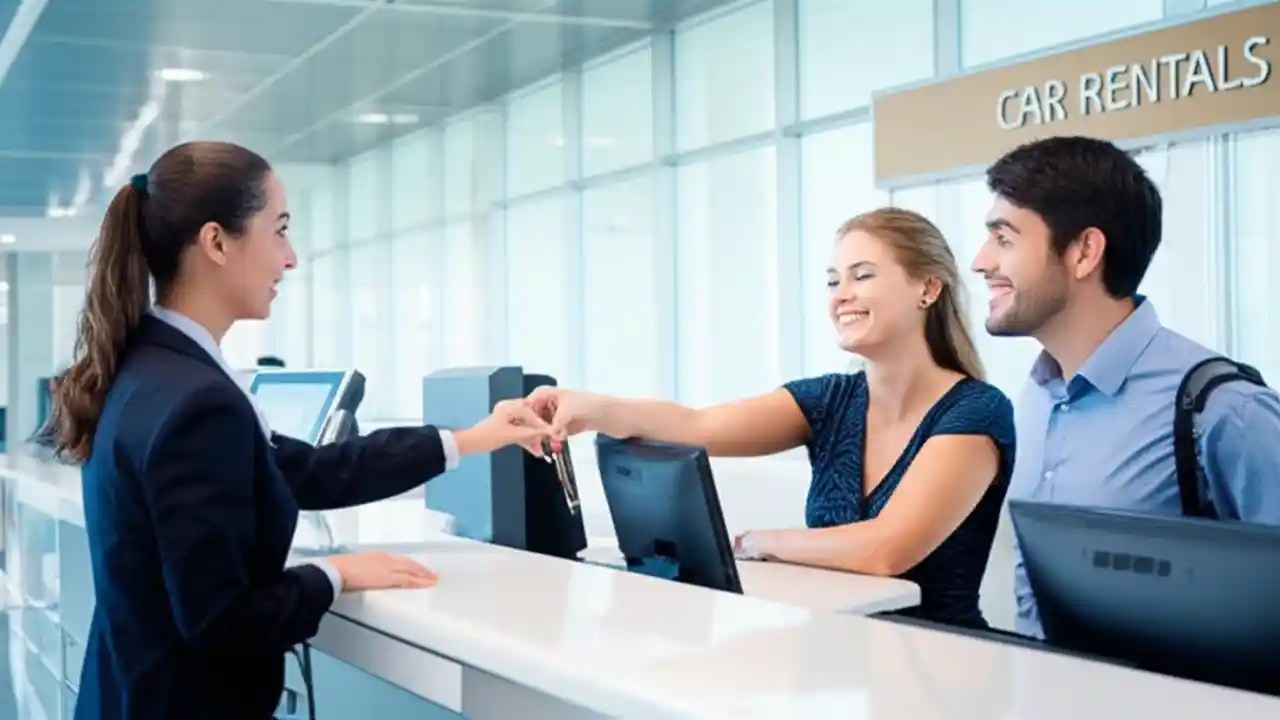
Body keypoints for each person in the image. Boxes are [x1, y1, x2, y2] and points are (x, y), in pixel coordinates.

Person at [39, 141, 552, 719]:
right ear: (216, 242)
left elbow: (307, 471)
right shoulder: (196, 401)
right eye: (279, 230)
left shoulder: (151, 370)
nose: (291, 258)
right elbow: (222, 624)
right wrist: (333, 575)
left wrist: (474, 437)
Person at [530, 208, 1015, 629]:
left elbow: (887, 550)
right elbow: (700, 426)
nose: (840, 295)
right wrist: (592, 409)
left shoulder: (975, 410)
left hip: (942, 658)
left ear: (928, 288)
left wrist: (762, 542)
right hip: (844, 651)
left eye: (862, 275)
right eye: (833, 280)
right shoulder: (831, 399)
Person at [971, 135, 1280, 639]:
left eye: (1004, 239)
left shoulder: (1224, 408)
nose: (981, 261)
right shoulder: (1037, 397)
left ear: (1085, 251)